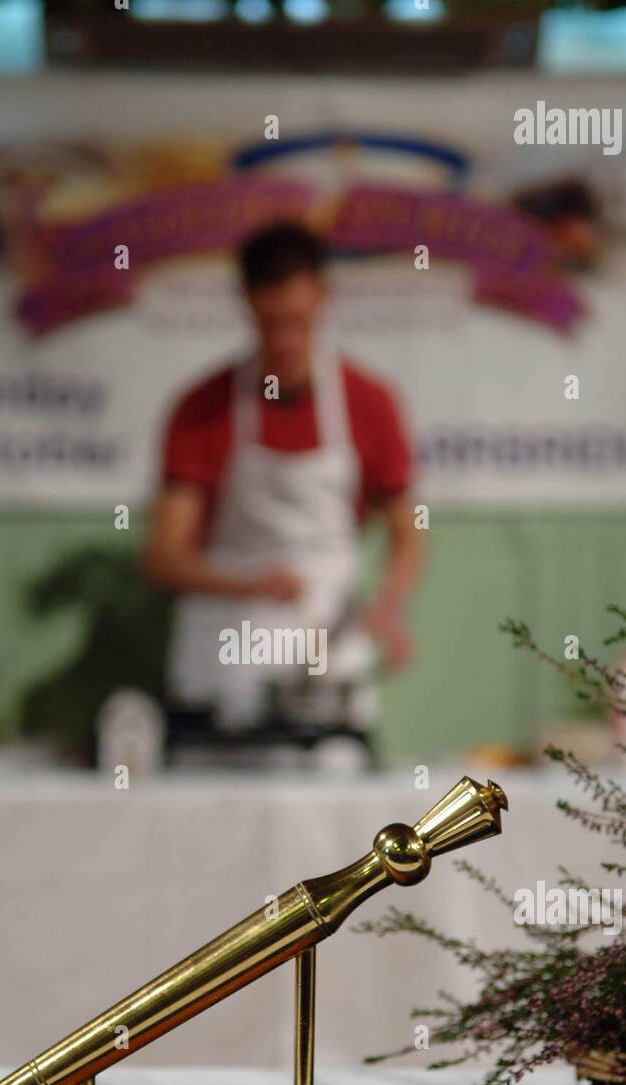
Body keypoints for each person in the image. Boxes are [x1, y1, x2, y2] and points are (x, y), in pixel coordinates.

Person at [142, 220, 422, 745]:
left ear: (323, 297)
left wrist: (389, 604)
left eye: (297, 320)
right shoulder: (202, 408)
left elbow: (408, 533)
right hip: (224, 652)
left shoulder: (371, 402)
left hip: (327, 650)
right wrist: (250, 584)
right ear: (245, 303)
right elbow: (162, 558)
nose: (286, 340)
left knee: (331, 808)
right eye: (271, 323)